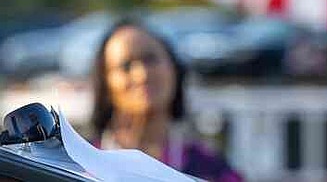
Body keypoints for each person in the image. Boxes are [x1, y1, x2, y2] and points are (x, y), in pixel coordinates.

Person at [90, 19, 243, 182]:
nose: (142, 75)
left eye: (151, 59)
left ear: (175, 70)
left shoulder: (212, 171)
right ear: (105, 83)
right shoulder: (77, 165)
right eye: (126, 66)